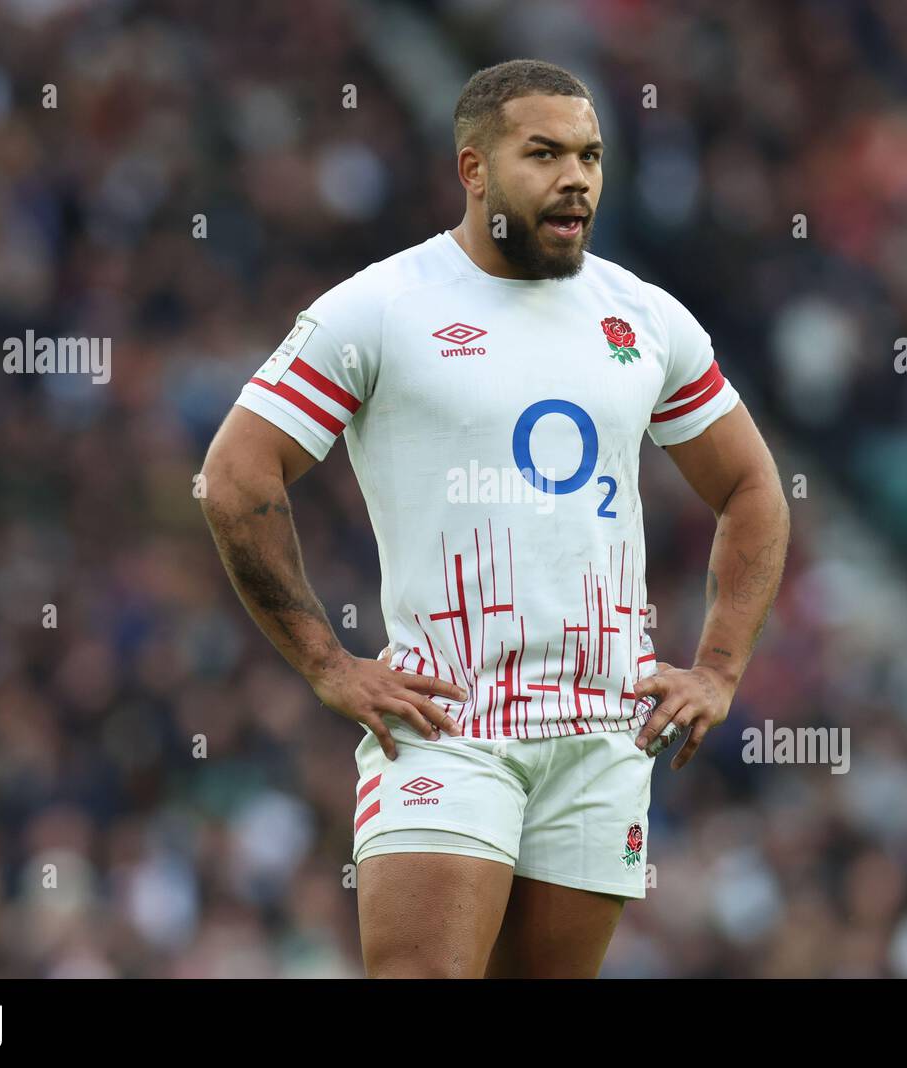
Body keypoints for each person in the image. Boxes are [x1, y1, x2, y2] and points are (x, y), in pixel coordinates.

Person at [199, 58, 790, 978]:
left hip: (603, 731)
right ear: (473, 169)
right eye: (544, 153)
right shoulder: (384, 307)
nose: (576, 178)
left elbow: (753, 490)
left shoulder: (642, 317)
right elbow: (236, 475)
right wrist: (326, 664)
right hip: (450, 722)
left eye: (590, 156)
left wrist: (718, 667)